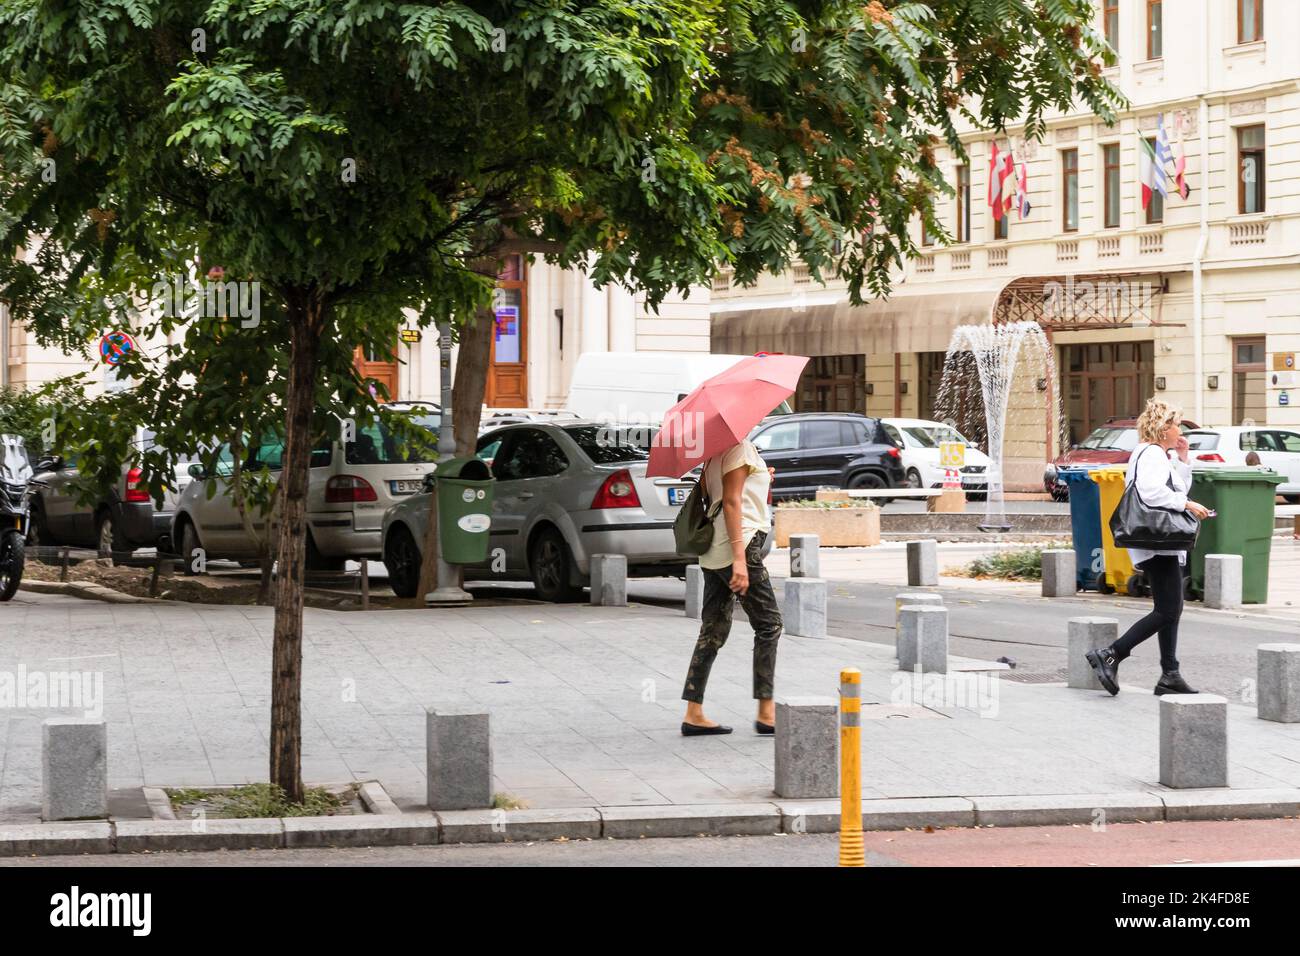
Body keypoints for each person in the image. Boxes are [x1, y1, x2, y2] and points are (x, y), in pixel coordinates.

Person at [1086, 399, 1210, 696]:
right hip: (1158, 542)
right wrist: (1187, 504)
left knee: (1171, 610)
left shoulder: (1156, 454)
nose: (1180, 428)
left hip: (1161, 542)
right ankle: (1112, 654)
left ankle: (1170, 674)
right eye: (1177, 423)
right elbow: (1153, 492)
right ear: (1164, 428)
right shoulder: (1152, 453)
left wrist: (1182, 458)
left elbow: (1175, 487)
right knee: (1168, 610)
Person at [681, 439, 782, 736]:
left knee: (712, 630)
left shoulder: (714, 452)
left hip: (713, 551)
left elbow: (722, 493)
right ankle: (766, 711)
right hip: (737, 547)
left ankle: (693, 711)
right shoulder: (738, 448)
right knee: (769, 624)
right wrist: (740, 559)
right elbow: (731, 501)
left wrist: (761, 477)